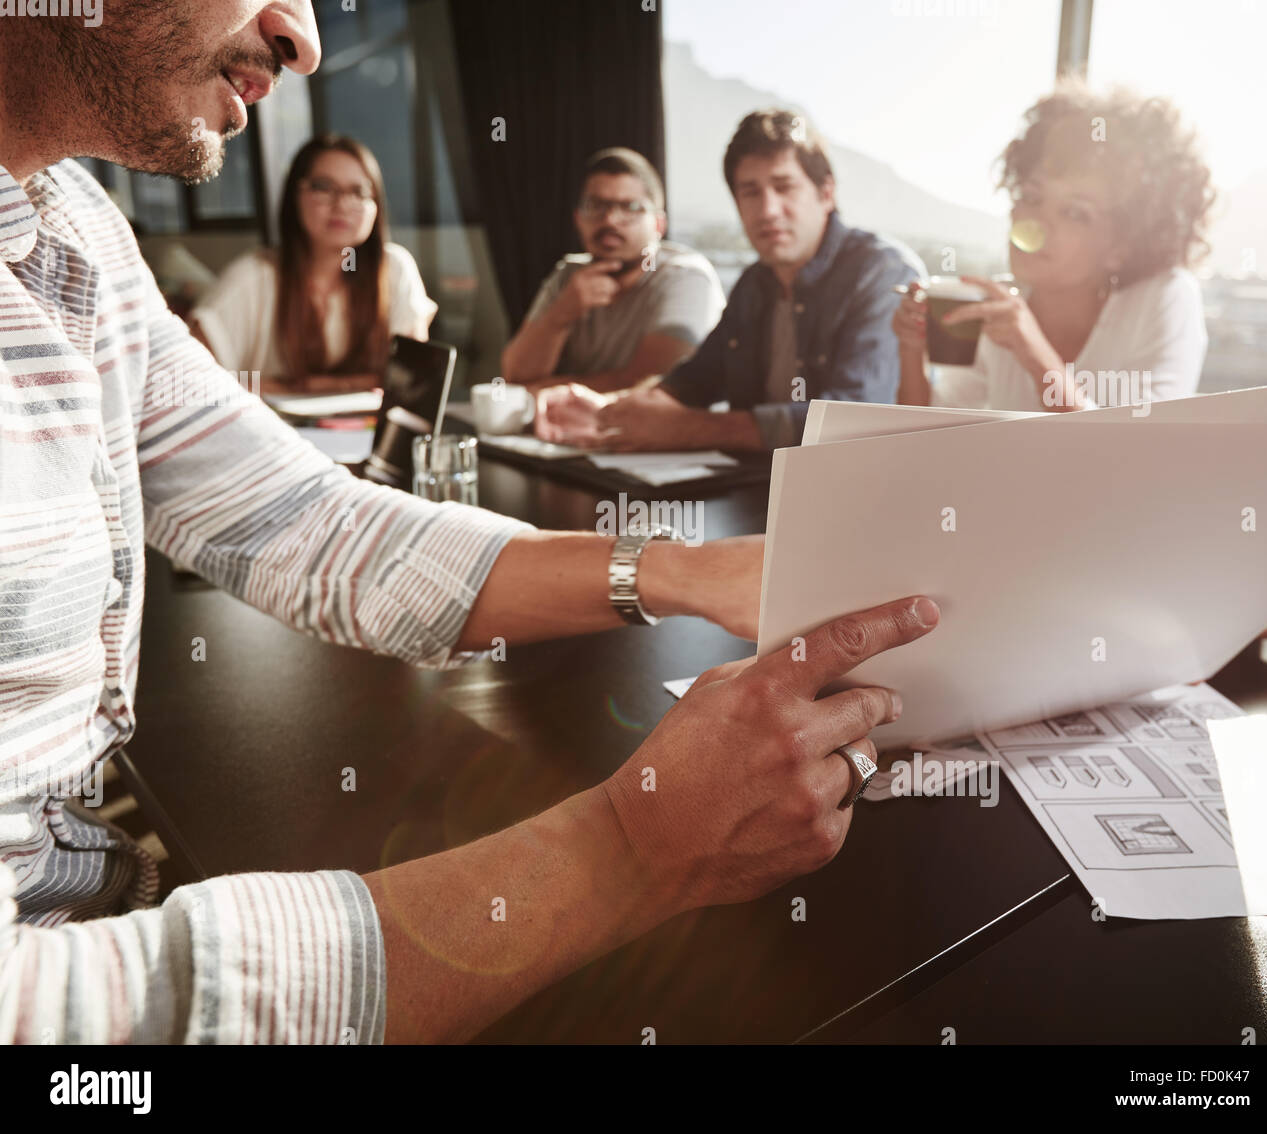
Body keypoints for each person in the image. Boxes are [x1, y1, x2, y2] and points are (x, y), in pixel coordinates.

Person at [0, 1, 938, 1044]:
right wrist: (629, 851)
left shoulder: (77, 232)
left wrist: (680, 570)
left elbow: (303, 518)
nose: (304, 40)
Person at [535, 109, 925, 452]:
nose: (768, 209)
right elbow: (692, 383)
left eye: (784, 186)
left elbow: (853, 419)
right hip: (758, 492)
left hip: (850, 498)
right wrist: (607, 409)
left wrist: (687, 430)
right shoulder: (755, 282)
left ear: (826, 194)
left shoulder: (883, 273)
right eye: (750, 192)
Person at [894, 83, 1215, 412]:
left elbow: (1137, 448)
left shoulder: (1164, 298)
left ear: (1122, 245)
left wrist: (1033, 352)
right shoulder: (1001, 308)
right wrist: (911, 349)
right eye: (1032, 198)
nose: (1038, 224)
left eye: (1076, 213)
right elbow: (932, 434)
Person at [189, 134, 437, 395]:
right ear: (294, 195)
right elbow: (188, 382)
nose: (342, 204)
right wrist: (357, 383)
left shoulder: (394, 268)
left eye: (359, 192)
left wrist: (309, 386)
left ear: (376, 206)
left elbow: (412, 382)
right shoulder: (253, 277)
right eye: (323, 187)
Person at [500, 147, 724, 394]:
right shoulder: (568, 274)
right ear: (578, 219)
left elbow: (651, 385)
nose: (609, 220)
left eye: (630, 207)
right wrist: (561, 314)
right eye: (596, 206)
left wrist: (539, 391)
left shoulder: (686, 276)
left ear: (658, 225)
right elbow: (514, 375)